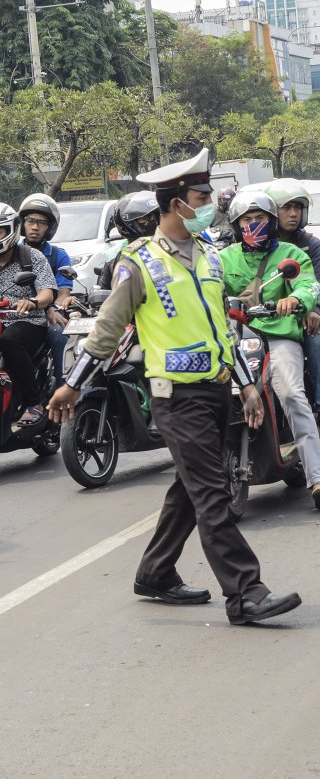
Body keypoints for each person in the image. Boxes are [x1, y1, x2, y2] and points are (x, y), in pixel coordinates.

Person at [48, 149, 302, 626]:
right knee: (212, 491)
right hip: (173, 396)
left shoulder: (208, 257)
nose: (209, 203)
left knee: (191, 486)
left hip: (215, 390)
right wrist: (72, 386)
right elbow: (107, 329)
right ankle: (246, 592)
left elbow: (223, 331)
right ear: (174, 204)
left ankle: (155, 572)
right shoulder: (139, 262)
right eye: (201, 196)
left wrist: (247, 386)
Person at [219, 190, 320, 507]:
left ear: (271, 223)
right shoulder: (223, 258)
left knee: (291, 394)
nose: (254, 224)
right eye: (247, 219)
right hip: (238, 337)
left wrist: (295, 300)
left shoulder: (291, 255)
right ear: (236, 224)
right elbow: (208, 286)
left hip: (279, 334)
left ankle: (318, 477)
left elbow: (309, 284)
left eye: (260, 219)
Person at [264, 179, 320, 431]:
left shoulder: (311, 244)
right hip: (265, 315)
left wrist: (313, 309)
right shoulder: (258, 245)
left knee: (316, 332)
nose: (293, 213)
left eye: (297, 207)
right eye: (286, 207)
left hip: (303, 314)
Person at [0, 202, 58, 428]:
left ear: (12, 229)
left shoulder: (31, 257)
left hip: (27, 321)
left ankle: (32, 403)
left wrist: (32, 302)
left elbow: (47, 293)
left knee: (8, 340)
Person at [18, 194, 72, 388]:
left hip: (48, 313)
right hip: (14, 314)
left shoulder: (58, 255)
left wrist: (54, 309)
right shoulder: (10, 251)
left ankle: (62, 386)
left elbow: (64, 292)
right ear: (21, 223)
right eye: (30, 221)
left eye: (41, 222)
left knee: (58, 334)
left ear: (50, 227)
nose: (35, 227)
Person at [97, 191, 160, 290]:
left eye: (156, 216)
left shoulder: (172, 249)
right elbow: (103, 296)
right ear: (126, 224)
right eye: (145, 218)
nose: (152, 221)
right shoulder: (117, 259)